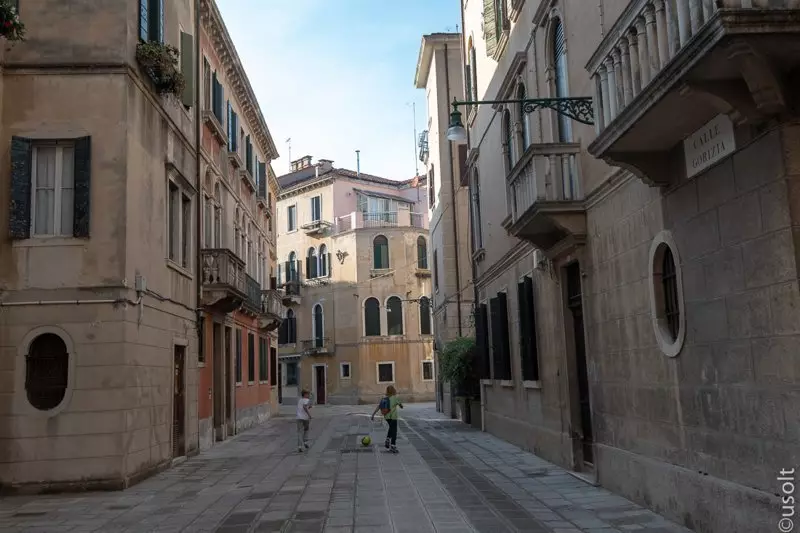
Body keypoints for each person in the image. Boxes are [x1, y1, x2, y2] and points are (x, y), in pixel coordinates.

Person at [371, 385, 403, 453]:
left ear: (387, 391)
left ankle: (388, 439)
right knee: (394, 431)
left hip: (387, 417)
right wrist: (400, 405)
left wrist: (373, 414)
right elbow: (401, 406)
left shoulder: (384, 399)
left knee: (391, 428)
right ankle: (393, 446)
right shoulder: (395, 398)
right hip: (393, 417)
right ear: (394, 391)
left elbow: (379, 407)